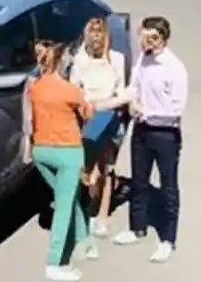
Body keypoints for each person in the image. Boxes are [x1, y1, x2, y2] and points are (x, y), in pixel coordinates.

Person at [112, 16, 187, 263]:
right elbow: (134, 87)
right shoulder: (143, 60)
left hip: (165, 134)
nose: (147, 43)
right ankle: (137, 227)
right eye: (143, 37)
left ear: (163, 39)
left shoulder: (174, 68)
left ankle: (168, 239)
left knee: (168, 186)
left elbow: (176, 110)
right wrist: (129, 102)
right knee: (139, 181)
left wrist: (146, 113)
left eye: (152, 38)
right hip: (142, 131)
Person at [28, 39, 96, 281]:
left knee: (67, 195)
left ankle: (83, 239)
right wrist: (86, 99)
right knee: (64, 205)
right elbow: (87, 114)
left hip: (41, 151)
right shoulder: (70, 90)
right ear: (62, 61)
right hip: (68, 152)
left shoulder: (35, 87)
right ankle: (54, 262)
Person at [69, 16, 127, 238]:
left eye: (99, 35)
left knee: (105, 168)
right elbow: (74, 89)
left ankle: (101, 214)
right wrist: (85, 107)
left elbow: (121, 90)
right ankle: (84, 208)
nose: (96, 40)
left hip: (109, 116)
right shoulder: (80, 61)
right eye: (92, 35)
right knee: (84, 168)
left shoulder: (117, 60)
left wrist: (108, 105)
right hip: (86, 117)